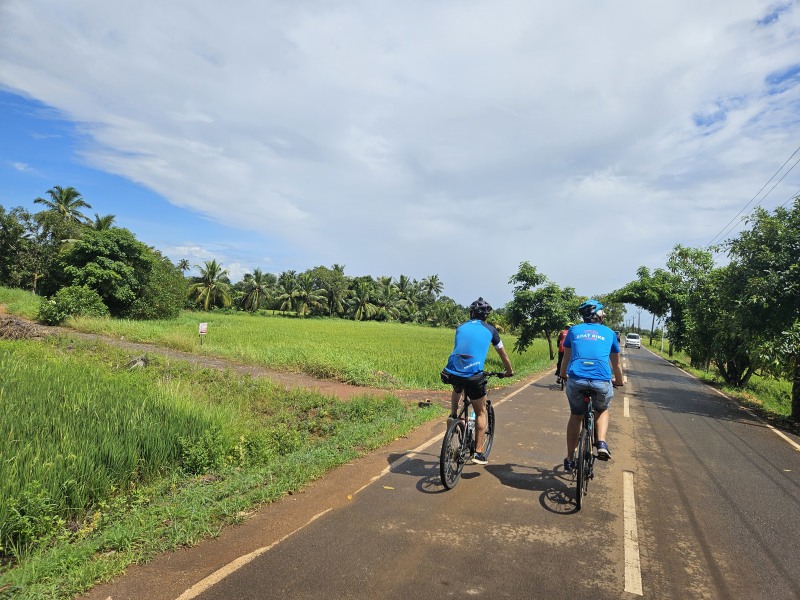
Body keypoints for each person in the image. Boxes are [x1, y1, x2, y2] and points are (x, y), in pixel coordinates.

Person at [441, 297, 514, 465]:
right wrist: (509, 371)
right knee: (481, 412)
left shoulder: (461, 327)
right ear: (486, 316)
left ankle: (453, 415)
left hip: (452, 372)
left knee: (458, 386)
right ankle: (479, 452)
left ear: (471, 313)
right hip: (474, 375)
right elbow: (503, 354)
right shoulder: (491, 330)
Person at [559, 299, 624, 473]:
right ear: (599, 316)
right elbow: (616, 364)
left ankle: (570, 460)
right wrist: (619, 381)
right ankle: (601, 443)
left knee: (576, 415)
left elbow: (566, 357)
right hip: (601, 381)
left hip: (576, 380)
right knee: (601, 409)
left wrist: (563, 374)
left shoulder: (573, 330)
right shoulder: (609, 333)